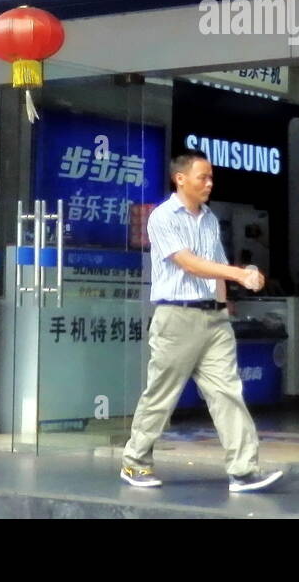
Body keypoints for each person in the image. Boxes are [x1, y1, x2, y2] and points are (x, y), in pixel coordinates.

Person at [120, 150, 284, 493]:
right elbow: (189, 263)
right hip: (177, 317)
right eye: (202, 177)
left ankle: (243, 471)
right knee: (161, 394)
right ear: (180, 179)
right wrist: (239, 274)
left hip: (214, 319)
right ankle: (135, 463)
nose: (209, 183)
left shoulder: (209, 218)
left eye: (211, 178)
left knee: (228, 393)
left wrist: (226, 301)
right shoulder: (162, 217)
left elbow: (215, 265)